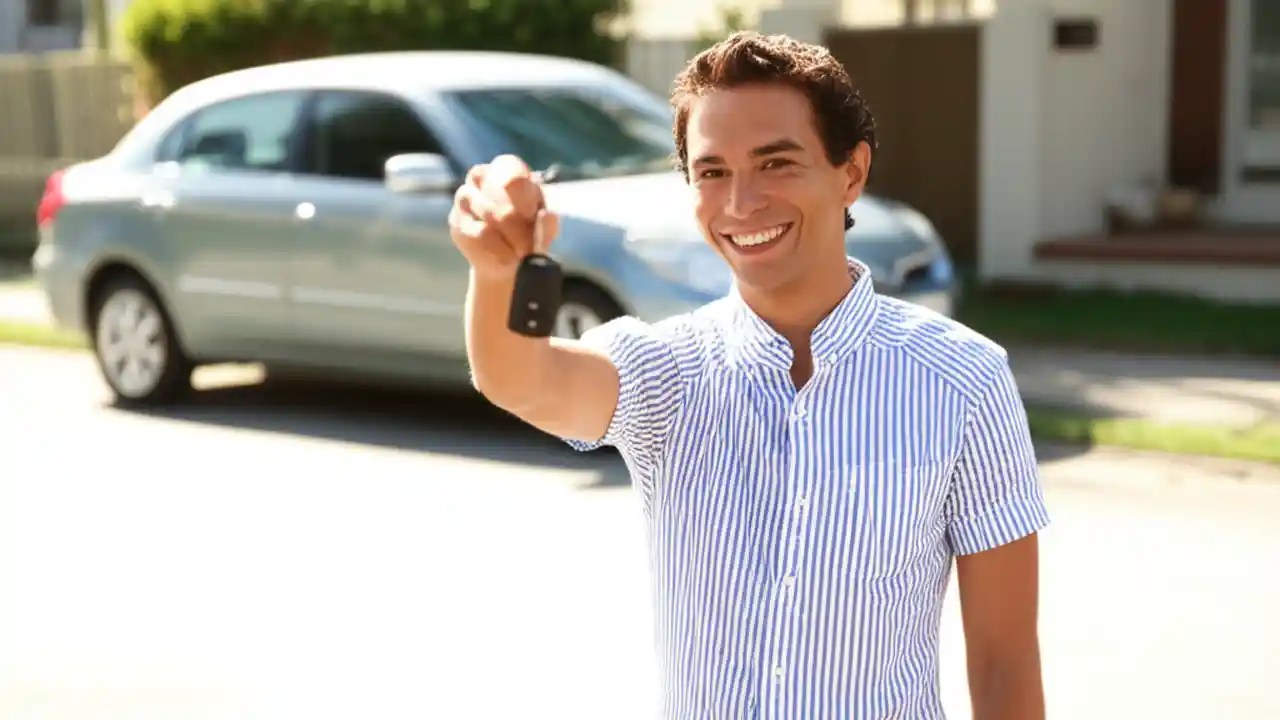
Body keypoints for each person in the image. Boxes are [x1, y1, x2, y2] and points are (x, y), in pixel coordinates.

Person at [449, 31, 1049, 720]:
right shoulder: (666, 372)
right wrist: (495, 274)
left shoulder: (965, 381)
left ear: (850, 172)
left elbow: (1005, 665)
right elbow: (521, 380)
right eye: (712, 172)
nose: (741, 203)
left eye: (776, 163)